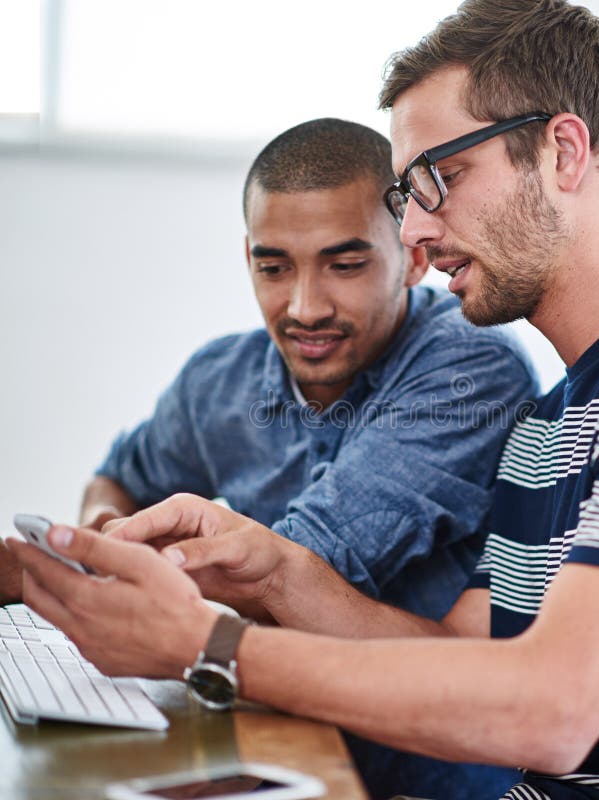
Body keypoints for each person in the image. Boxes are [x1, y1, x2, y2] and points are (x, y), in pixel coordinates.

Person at [11, 2, 599, 798]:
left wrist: (210, 644)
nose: (416, 231)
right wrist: (274, 567)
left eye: (441, 179)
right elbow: (462, 651)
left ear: (563, 151)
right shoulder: (553, 420)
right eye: (406, 194)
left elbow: (551, 713)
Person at [2, 119, 537, 799]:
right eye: (273, 265)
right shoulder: (218, 379)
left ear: (413, 256)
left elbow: (298, 564)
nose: (304, 306)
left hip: (426, 773)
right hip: (265, 744)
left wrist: (56, 571)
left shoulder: (470, 367)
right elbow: (118, 478)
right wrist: (105, 533)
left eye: (345, 264)